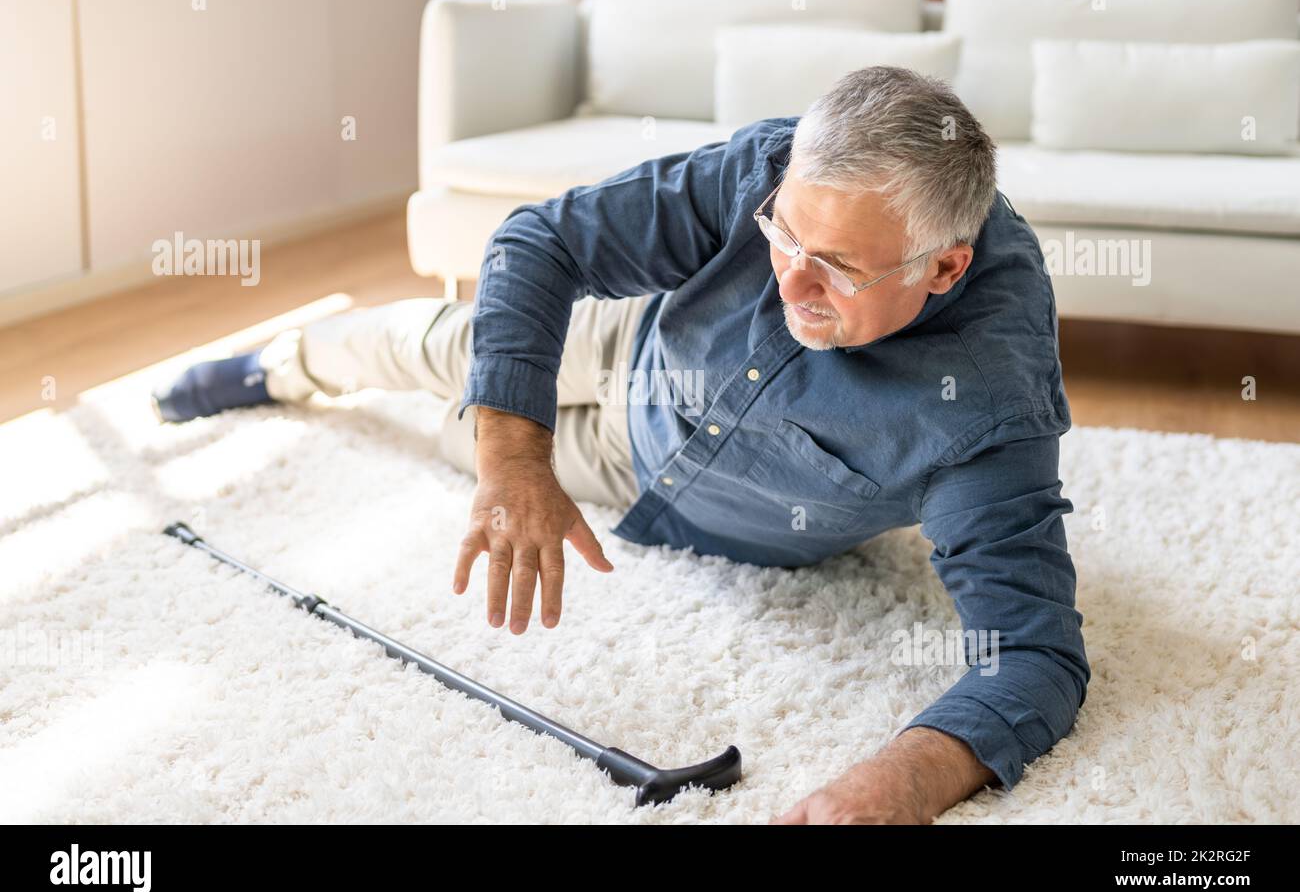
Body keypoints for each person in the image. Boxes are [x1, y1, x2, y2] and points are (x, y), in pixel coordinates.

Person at [152, 67, 1090, 824]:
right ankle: (284, 365)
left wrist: (909, 780)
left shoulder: (992, 403)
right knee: (428, 345)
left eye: (838, 269)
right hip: (631, 345)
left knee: (439, 431)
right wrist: (516, 458)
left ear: (947, 266)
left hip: (652, 487)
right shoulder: (771, 169)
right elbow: (540, 243)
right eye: (783, 238)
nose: (791, 280)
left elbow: (1035, 656)